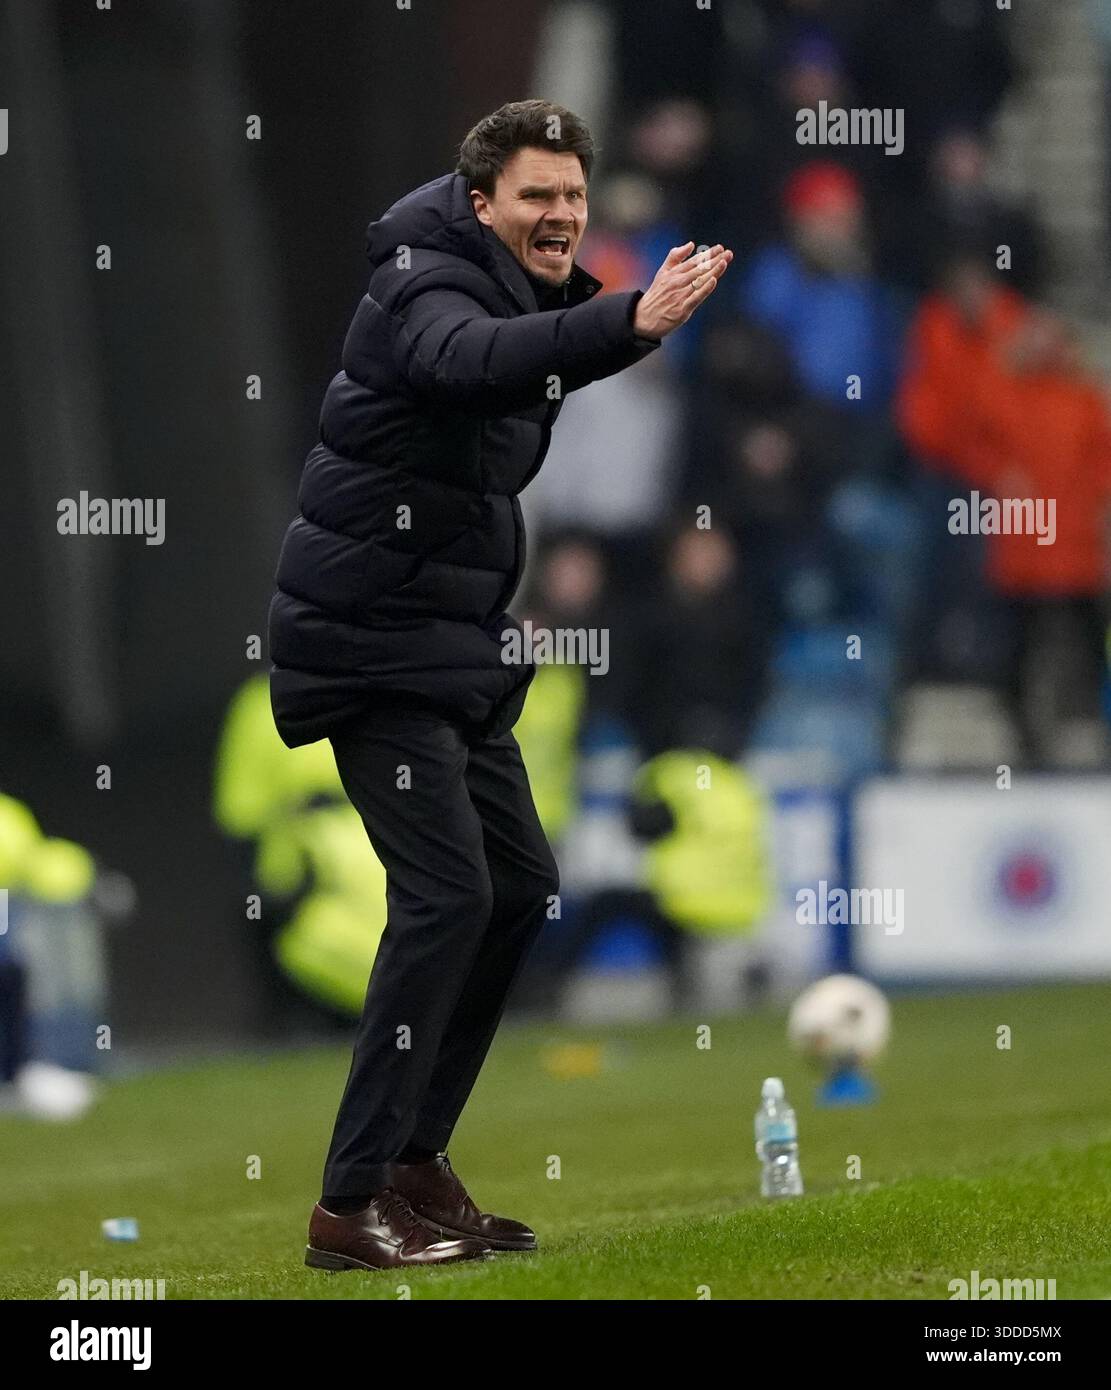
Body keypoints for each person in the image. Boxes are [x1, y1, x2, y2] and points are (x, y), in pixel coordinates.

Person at [267, 99, 732, 1271]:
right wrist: (626, 317)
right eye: (537, 196)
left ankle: (417, 1162)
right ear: (481, 204)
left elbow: (539, 344)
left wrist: (626, 321)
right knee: (444, 898)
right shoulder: (424, 279)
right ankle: (348, 1200)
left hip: (447, 646)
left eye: (573, 197)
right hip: (369, 642)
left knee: (517, 885)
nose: (561, 216)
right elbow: (463, 363)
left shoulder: (515, 285)